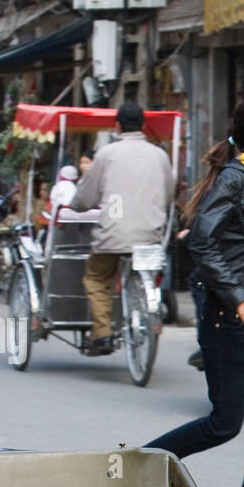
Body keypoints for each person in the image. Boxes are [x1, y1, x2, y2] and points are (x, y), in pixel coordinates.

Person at [146, 89, 244, 487]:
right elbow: (201, 243)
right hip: (225, 315)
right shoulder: (235, 180)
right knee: (224, 423)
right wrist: (241, 299)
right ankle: (142, 465)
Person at [69, 101, 174, 356]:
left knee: (96, 278)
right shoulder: (159, 155)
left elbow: (85, 196)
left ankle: (103, 333)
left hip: (113, 235)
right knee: (146, 272)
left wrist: (77, 205)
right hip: (150, 236)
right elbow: (169, 195)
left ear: (116, 126)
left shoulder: (106, 154)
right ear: (142, 126)